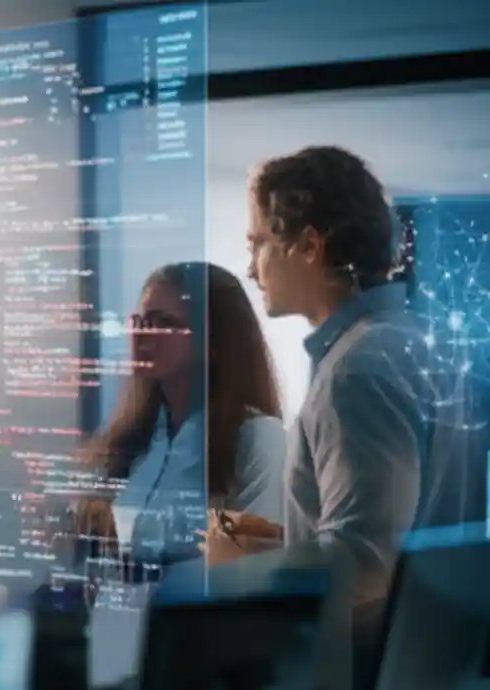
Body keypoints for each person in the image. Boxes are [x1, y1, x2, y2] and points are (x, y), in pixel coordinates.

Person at [202, 146, 470, 606]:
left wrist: (243, 566)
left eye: (258, 244)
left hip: (364, 651)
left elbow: (362, 573)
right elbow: (401, 536)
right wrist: (290, 542)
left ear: (309, 246)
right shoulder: (416, 348)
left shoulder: (355, 370)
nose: (250, 268)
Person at [78, 262, 286, 577]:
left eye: (162, 322)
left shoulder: (257, 438)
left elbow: (254, 565)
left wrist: (126, 529)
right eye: (139, 321)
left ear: (214, 341)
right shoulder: (134, 436)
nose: (142, 334)